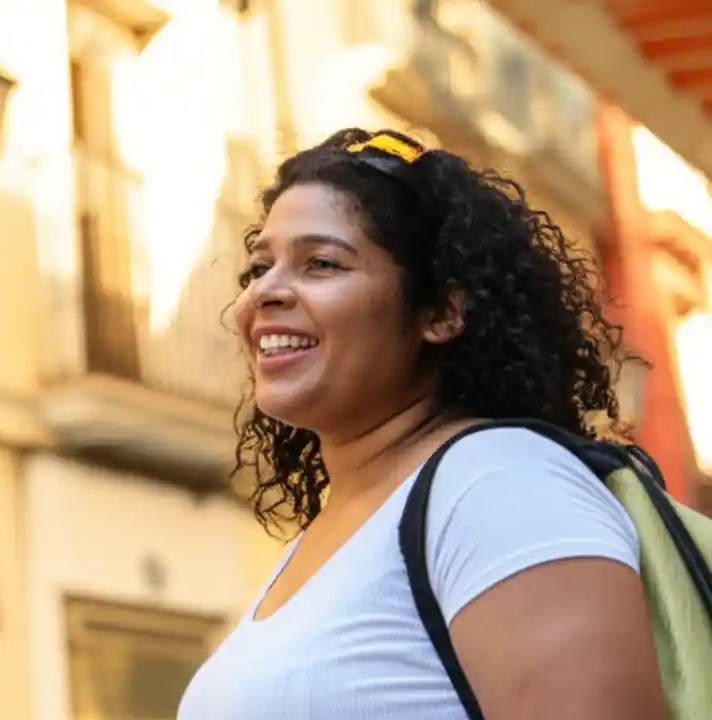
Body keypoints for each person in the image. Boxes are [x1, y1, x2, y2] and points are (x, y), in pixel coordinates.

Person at [178, 129, 668, 718]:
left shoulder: (500, 484)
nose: (263, 294)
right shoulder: (341, 525)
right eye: (259, 267)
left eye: (321, 263)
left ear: (440, 312)